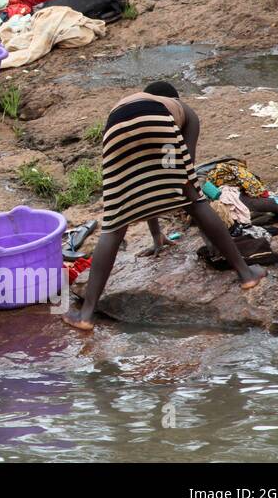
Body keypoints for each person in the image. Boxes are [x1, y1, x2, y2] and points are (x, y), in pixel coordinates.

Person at [65, 82, 265, 331]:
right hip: (154, 127)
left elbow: (147, 185)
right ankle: (246, 274)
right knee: (194, 199)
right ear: (172, 100)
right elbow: (184, 176)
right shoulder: (183, 110)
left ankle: (85, 315)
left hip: (115, 132)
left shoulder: (133, 102)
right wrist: (189, 198)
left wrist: (156, 235)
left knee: (114, 224)